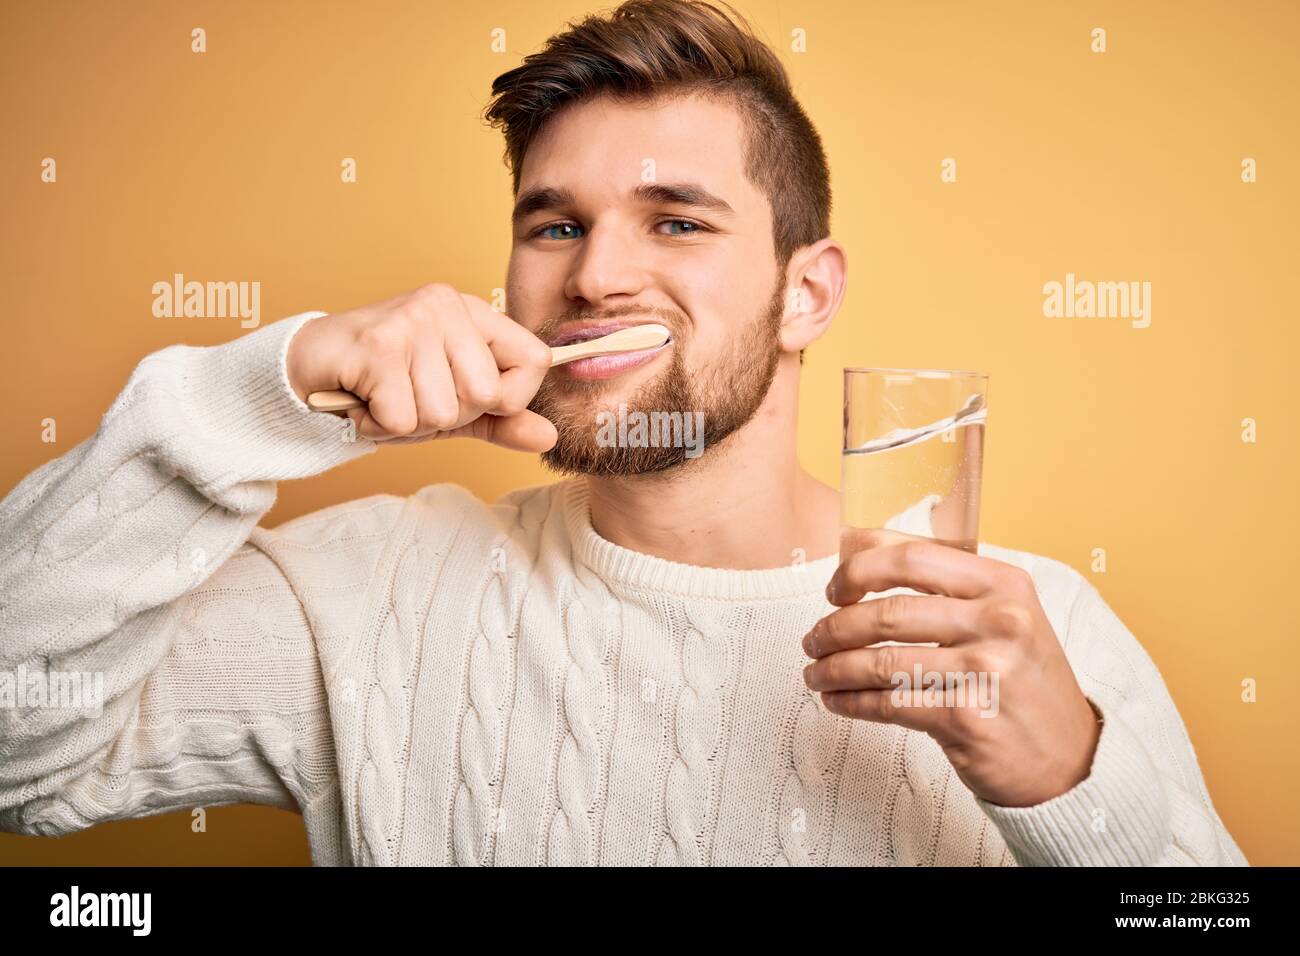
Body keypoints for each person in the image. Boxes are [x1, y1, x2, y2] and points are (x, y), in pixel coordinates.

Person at [0, 0, 1245, 866]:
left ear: (806, 291)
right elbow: (22, 760)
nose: (596, 275)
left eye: (677, 222)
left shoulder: (1026, 628)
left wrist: (1071, 788)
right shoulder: (367, 594)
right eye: (554, 225)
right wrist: (247, 394)